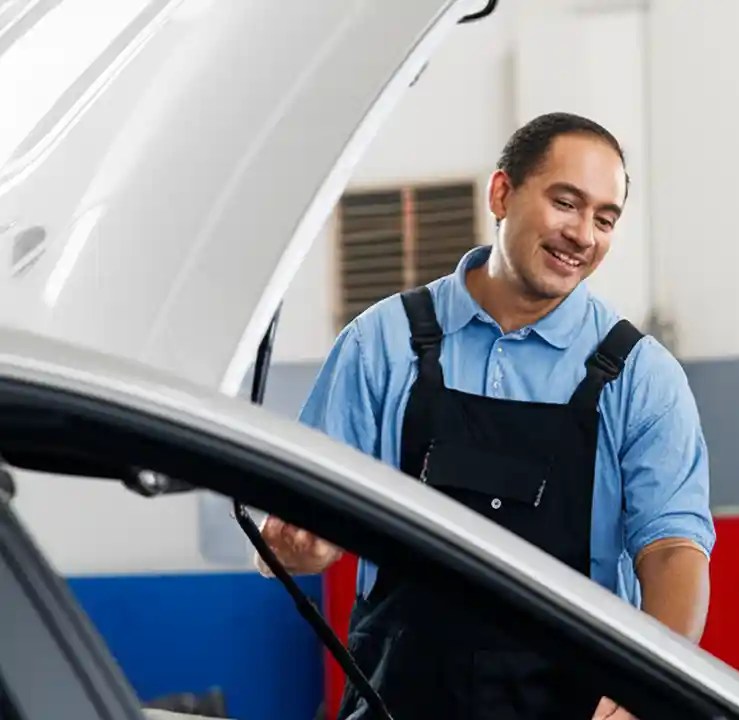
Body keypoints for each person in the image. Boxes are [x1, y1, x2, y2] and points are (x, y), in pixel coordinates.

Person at [253, 111, 715, 720]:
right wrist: (296, 548)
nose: (583, 234)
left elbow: (674, 549)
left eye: (605, 219)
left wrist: (654, 685)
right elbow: (286, 535)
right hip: (398, 699)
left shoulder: (639, 373)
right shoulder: (381, 343)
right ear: (501, 193)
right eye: (565, 203)